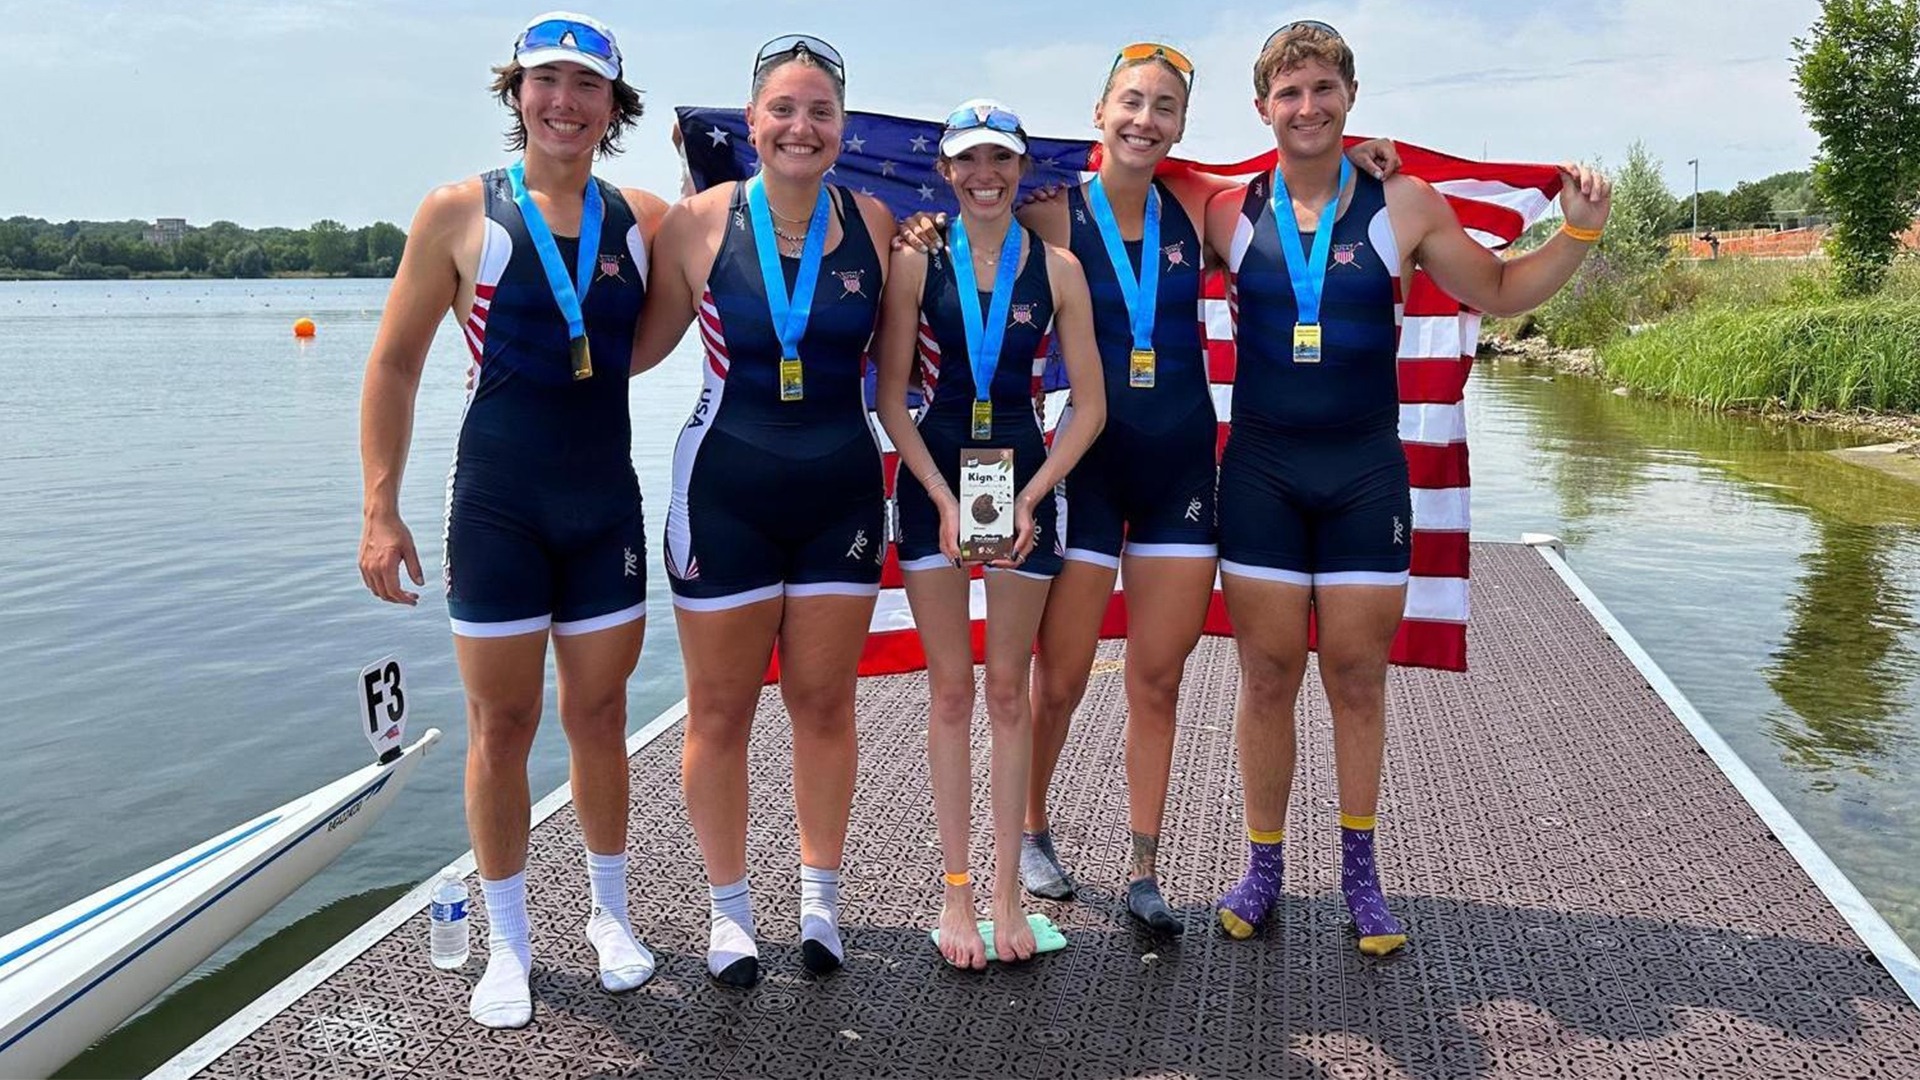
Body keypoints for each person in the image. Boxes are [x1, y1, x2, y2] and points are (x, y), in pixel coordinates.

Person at [1201, 20, 1609, 955]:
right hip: (1260, 470)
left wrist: (1580, 231)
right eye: (1289, 92)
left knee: (1356, 676)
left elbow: (1501, 291)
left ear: (1349, 97)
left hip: (1363, 475)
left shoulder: (1407, 203)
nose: (1307, 107)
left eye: (1323, 90)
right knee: (1266, 676)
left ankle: (1359, 871)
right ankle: (1262, 865)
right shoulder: (1225, 208)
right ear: (1263, 108)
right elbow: (1112, 184)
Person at [357, 12, 668, 1028]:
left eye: (587, 87)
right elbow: (397, 363)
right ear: (517, 95)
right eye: (546, 84)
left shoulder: (645, 220)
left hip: (602, 504)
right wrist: (379, 507)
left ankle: (611, 917)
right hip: (497, 504)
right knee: (502, 724)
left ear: (613, 107)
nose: (564, 103)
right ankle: (507, 939)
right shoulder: (458, 213)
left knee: (601, 717)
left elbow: (748, 231)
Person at [630, 34, 896, 987]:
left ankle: (820, 902)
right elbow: (635, 349)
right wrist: (514, 352)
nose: (800, 125)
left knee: (825, 703)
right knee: (721, 711)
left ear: (841, 130)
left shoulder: (874, 220)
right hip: (723, 493)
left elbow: (913, 361)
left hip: (842, 493)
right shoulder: (697, 225)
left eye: (820, 111)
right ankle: (731, 912)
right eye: (782, 109)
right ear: (751, 124)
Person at [874, 100, 1106, 968]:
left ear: (1019, 169)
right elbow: (892, 396)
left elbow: (1091, 404)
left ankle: (1011, 900)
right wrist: (938, 493)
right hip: (935, 478)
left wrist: (1032, 497)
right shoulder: (913, 261)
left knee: (1009, 693)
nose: (984, 175)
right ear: (946, 170)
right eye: (968, 160)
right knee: (949, 693)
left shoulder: (1058, 268)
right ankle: (958, 900)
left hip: (1024, 484)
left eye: (999, 161)